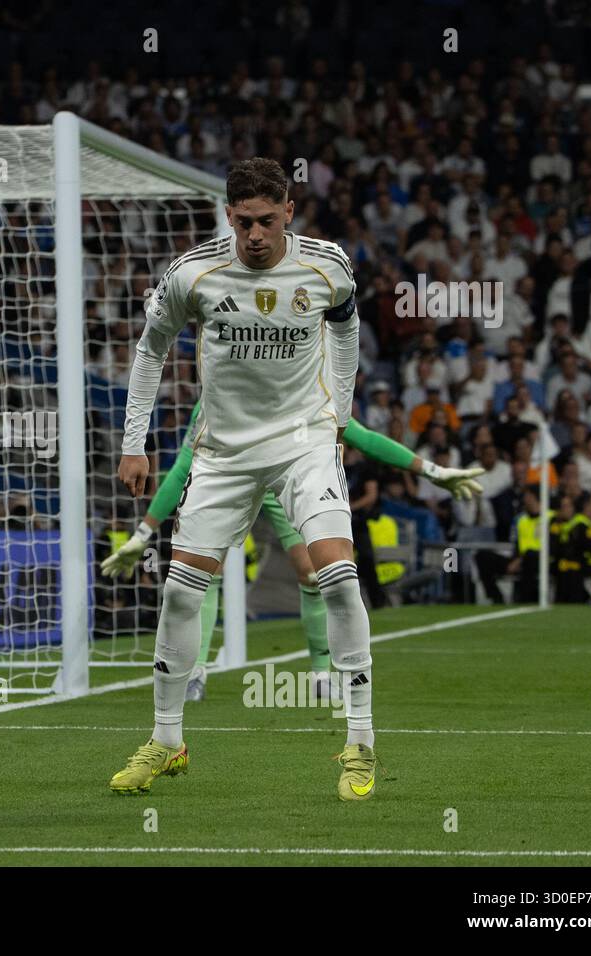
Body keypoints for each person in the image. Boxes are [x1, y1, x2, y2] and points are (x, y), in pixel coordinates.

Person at [110, 157, 379, 801]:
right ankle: (168, 741)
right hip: (223, 453)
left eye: (265, 220)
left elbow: (346, 328)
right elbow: (151, 349)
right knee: (180, 593)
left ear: (288, 211)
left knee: (337, 575)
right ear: (227, 217)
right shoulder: (193, 273)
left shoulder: (327, 265)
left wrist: (339, 414)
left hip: (303, 444)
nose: (254, 234)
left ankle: (361, 741)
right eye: (242, 222)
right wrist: (133, 442)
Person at [101, 406, 484, 700]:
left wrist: (432, 470)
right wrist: (144, 531)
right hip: (231, 478)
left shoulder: (302, 382)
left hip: (282, 482)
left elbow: (361, 436)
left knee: (312, 572)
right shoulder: (217, 394)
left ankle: (320, 676)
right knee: (203, 573)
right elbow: (186, 462)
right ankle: (195, 673)